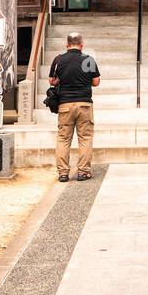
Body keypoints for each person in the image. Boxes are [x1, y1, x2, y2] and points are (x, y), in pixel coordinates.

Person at [49, 31, 100, 182]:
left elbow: (52, 81)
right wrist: (85, 81)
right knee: (85, 138)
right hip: (84, 103)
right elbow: (96, 82)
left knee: (63, 139)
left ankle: (63, 173)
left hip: (65, 104)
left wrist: (62, 80)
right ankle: (83, 172)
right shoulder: (88, 59)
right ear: (81, 45)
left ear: (67, 45)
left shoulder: (59, 59)